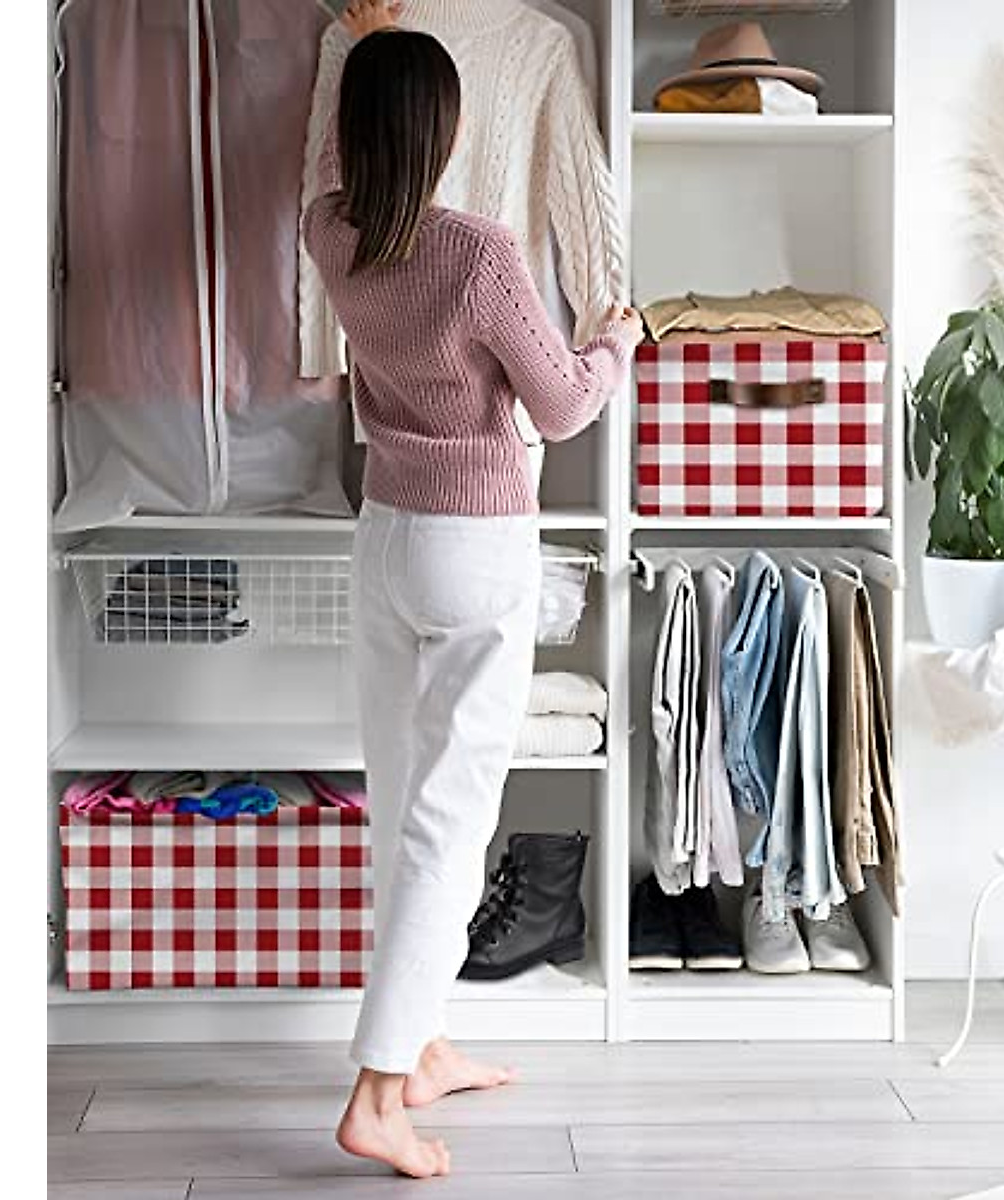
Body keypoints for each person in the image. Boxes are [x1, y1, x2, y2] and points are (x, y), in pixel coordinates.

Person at [301, 0, 643, 1180]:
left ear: (351, 132)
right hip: (474, 537)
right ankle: (377, 1093)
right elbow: (560, 405)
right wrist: (619, 340)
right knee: (453, 822)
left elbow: (365, 165)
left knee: (405, 800)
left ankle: (426, 1041)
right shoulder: (482, 253)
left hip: (384, 530)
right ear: (444, 133)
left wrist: (362, 44)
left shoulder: (327, 231)